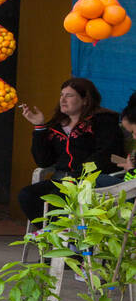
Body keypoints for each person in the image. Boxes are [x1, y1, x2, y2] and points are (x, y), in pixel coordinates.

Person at [18, 77, 124, 225]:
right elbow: (43, 161)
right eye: (62, 95)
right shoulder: (56, 125)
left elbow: (105, 154)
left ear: (85, 100)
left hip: (89, 182)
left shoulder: (103, 121)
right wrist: (39, 127)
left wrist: (76, 176)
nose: (63, 99)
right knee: (27, 195)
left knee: (56, 198)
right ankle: (56, 236)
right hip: (60, 180)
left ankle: (64, 237)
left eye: (69, 95)